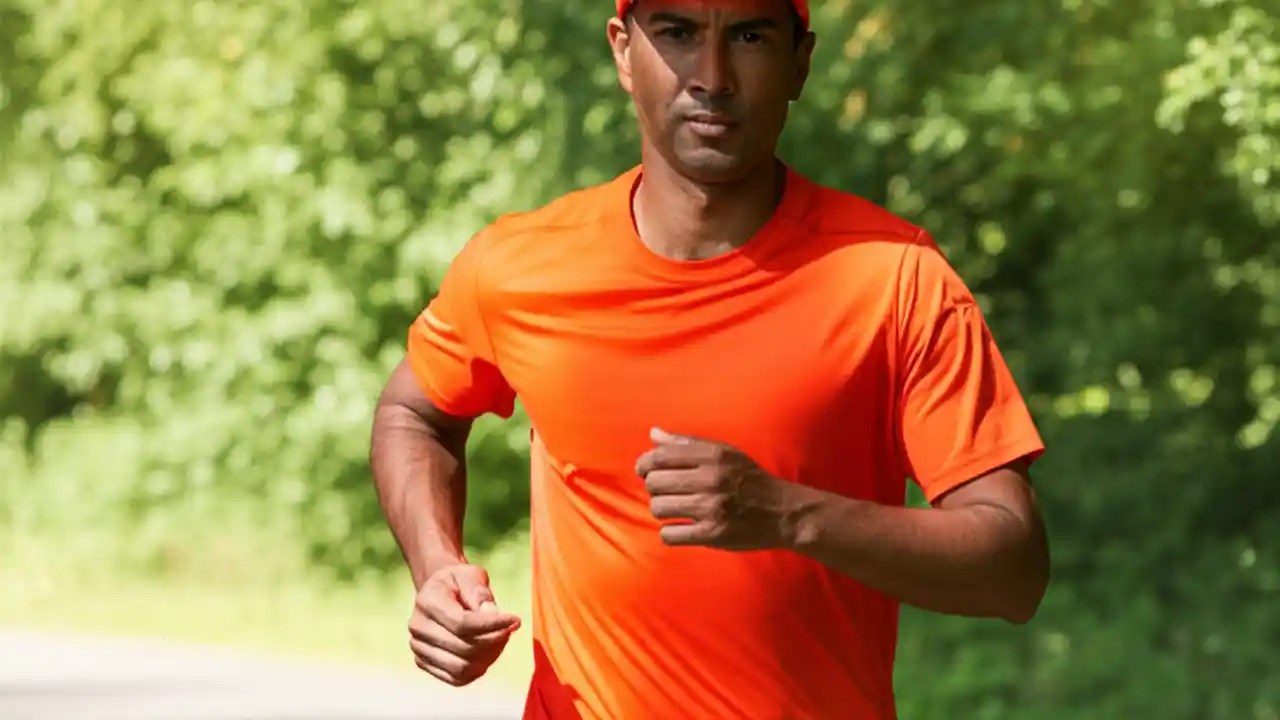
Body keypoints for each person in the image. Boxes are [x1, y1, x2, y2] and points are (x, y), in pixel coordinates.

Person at [369, 0, 1051, 717]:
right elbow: (415, 412)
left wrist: (790, 514)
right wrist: (437, 565)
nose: (713, 75)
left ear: (801, 61)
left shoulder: (892, 276)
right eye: (677, 33)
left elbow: (1013, 572)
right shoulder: (519, 265)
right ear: (623, 52)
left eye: (750, 35)